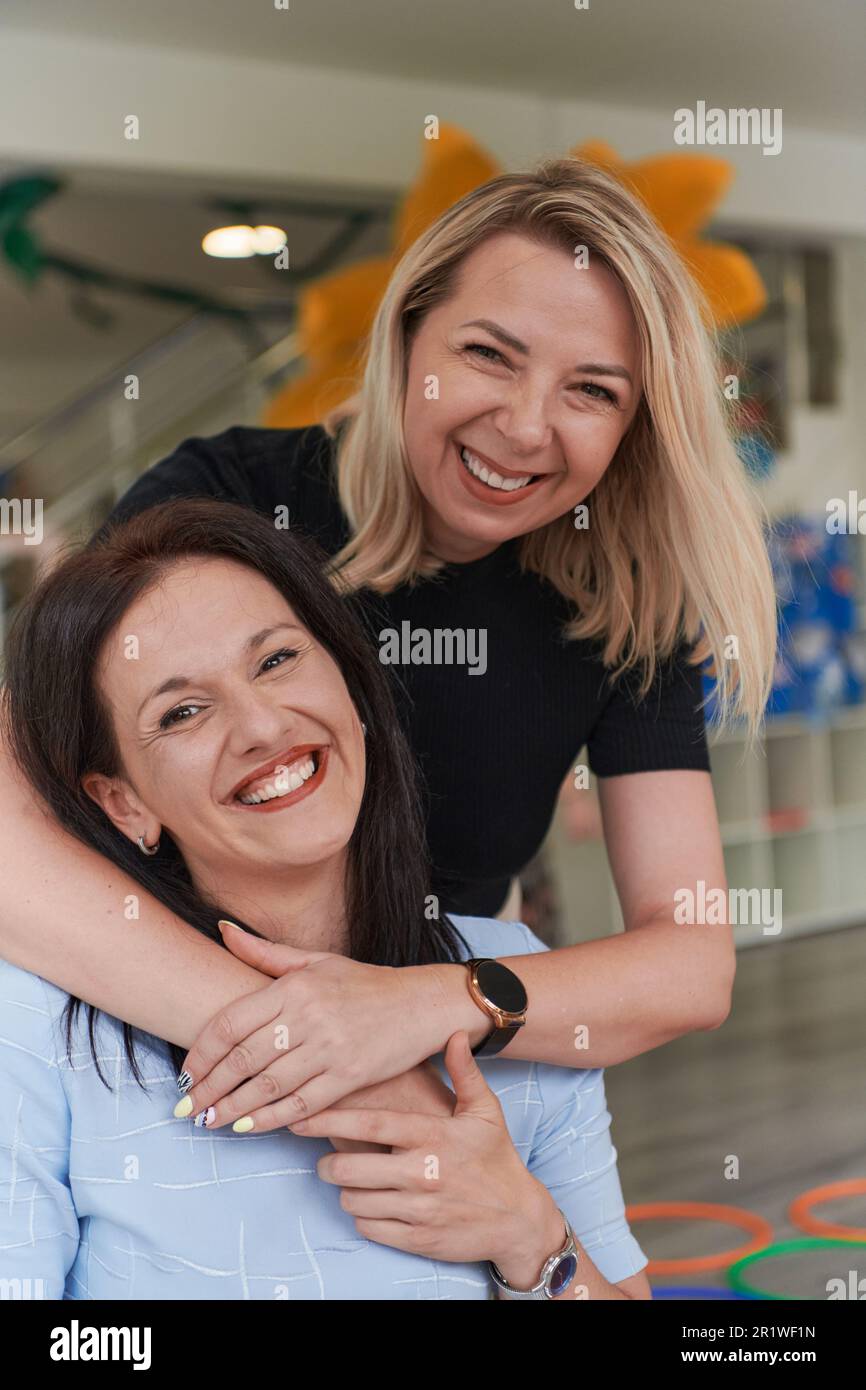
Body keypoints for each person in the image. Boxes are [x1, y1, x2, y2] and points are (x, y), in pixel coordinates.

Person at [0, 156, 776, 1132]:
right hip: (181, 1056)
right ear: (406, 336)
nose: (523, 426)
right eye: (489, 355)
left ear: (634, 424)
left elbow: (691, 962)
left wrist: (421, 1009)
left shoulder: (624, 600)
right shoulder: (226, 500)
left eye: (591, 390)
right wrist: (326, 1054)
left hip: (438, 1053)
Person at [0, 498, 649, 1300]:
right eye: (183, 712)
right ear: (123, 803)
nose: (262, 726)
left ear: (348, 682)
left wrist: (531, 1237)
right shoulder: (42, 1029)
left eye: (276, 660)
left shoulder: (509, 982)